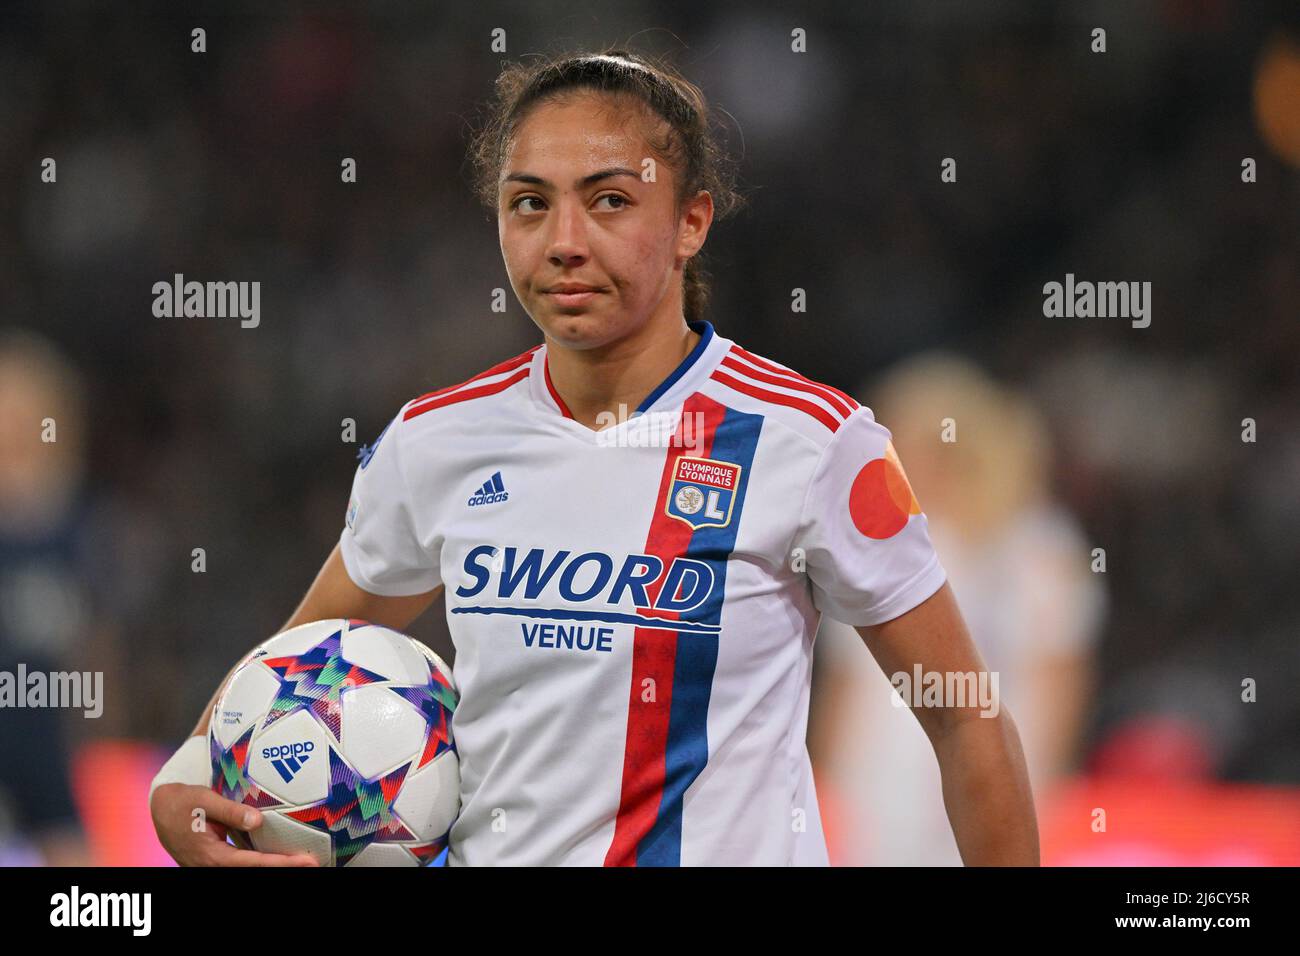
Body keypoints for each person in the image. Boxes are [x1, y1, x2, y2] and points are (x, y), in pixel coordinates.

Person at [149, 49, 1038, 866]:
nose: (564, 241)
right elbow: (299, 661)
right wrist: (181, 786)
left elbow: (964, 717)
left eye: (610, 199)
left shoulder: (810, 441)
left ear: (692, 222)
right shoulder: (437, 440)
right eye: (529, 202)